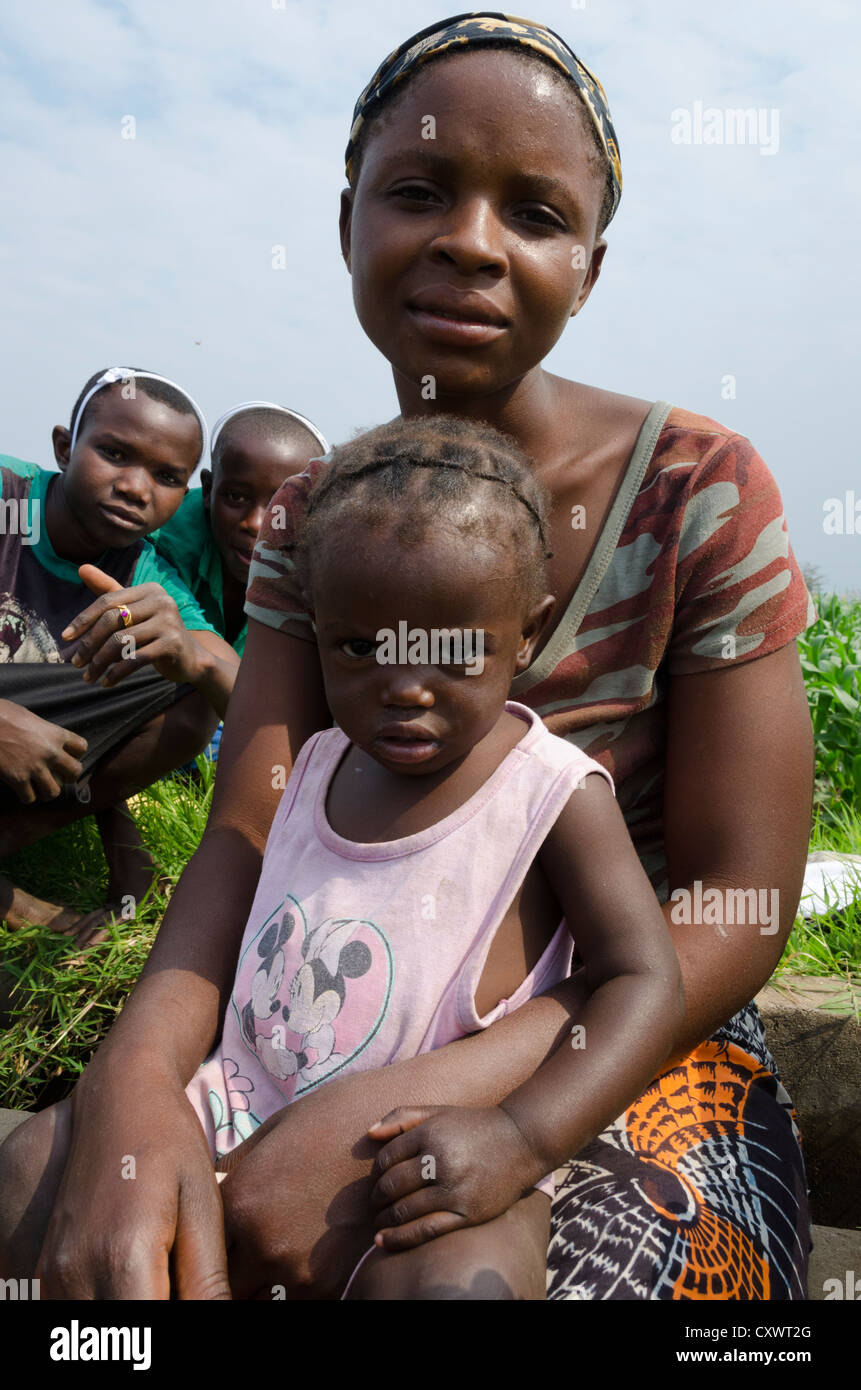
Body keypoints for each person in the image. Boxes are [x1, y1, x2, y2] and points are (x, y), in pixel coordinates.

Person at [0, 14, 815, 1302]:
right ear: (347, 225)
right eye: (420, 192)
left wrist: (431, 1097)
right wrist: (138, 1079)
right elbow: (246, 837)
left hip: (618, 1039)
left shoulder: (694, 490)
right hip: (314, 1019)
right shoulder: (311, 520)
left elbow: (734, 906)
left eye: (534, 213)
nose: (471, 242)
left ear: (588, 269)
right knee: (70, 1207)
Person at [180, 414, 684, 1299]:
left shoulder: (553, 792)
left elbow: (644, 979)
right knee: (37, 1171)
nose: (404, 686)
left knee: (461, 1285)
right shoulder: (312, 768)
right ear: (317, 629)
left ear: (526, 634)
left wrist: (524, 1137)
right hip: (230, 1109)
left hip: (431, 1162)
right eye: (358, 648)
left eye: (451, 651)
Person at [0, 366, 239, 945]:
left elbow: (235, 682)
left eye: (166, 476)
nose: (135, 488)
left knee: (185, 685)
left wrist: (197, 658)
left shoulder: (143, 571)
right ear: (64, 447)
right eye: (113, 453)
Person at [152, 402, 329, 660]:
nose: (256, 524)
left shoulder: (321, 569)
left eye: (281, 507)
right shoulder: (161, 541)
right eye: (236, 497)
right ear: (209, 489)